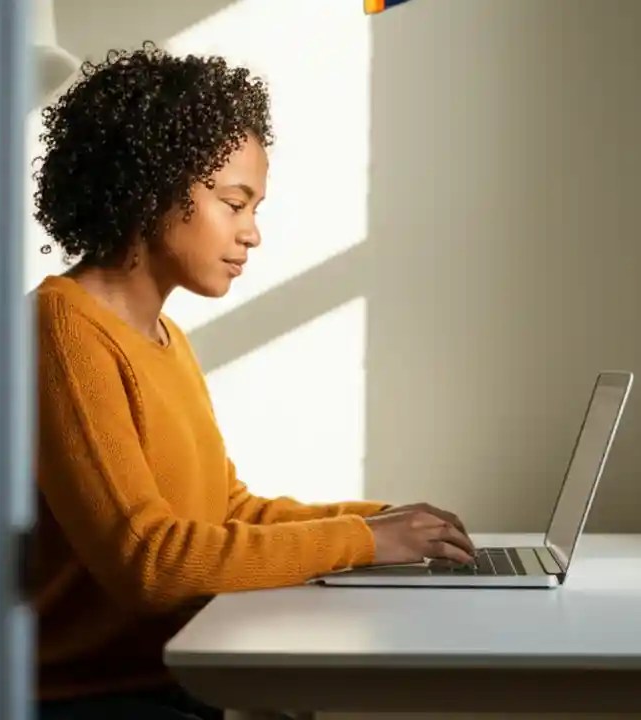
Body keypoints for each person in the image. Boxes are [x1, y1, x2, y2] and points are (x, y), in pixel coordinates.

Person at [30, 43, 475, 720]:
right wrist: (368, 542)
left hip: (175, 677)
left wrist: (379, 522)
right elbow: (152, 562)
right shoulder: (65, 330)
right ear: (153, 185)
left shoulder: (161, 337)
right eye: (235, 203)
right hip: (91, 700)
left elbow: (223, 510)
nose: (253, 233)